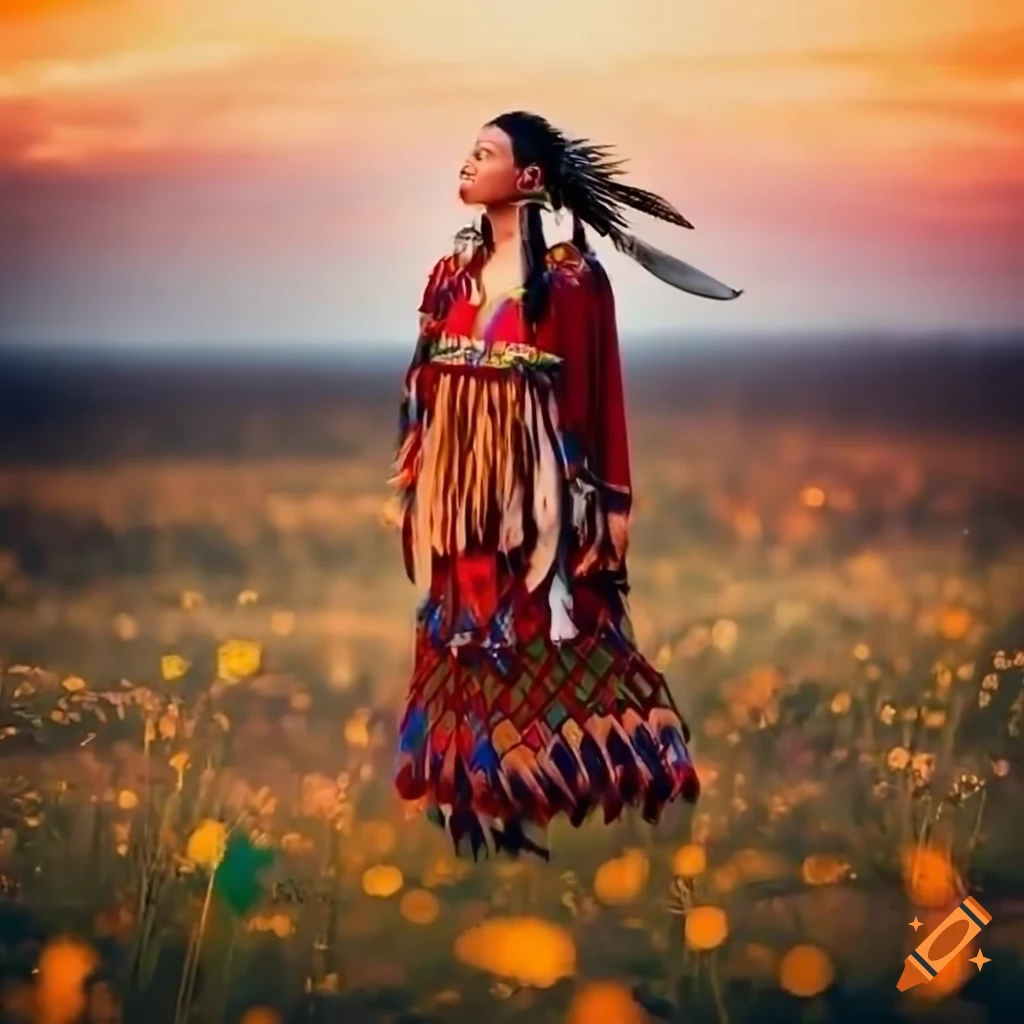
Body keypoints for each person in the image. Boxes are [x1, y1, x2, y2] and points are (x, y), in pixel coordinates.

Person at [391, 111, 740, 860]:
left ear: (528, 180)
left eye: (483, 153)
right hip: (458, 501)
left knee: (551, 628)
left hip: (541, 502)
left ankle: (573, 781)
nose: (466, 161)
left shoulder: (576, 283)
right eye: (467, 150)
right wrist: (416, 480)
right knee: (461, 636)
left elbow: (601, 395)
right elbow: (419, 385)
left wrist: (608, 504)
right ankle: (473, 794)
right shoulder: (447, 276)